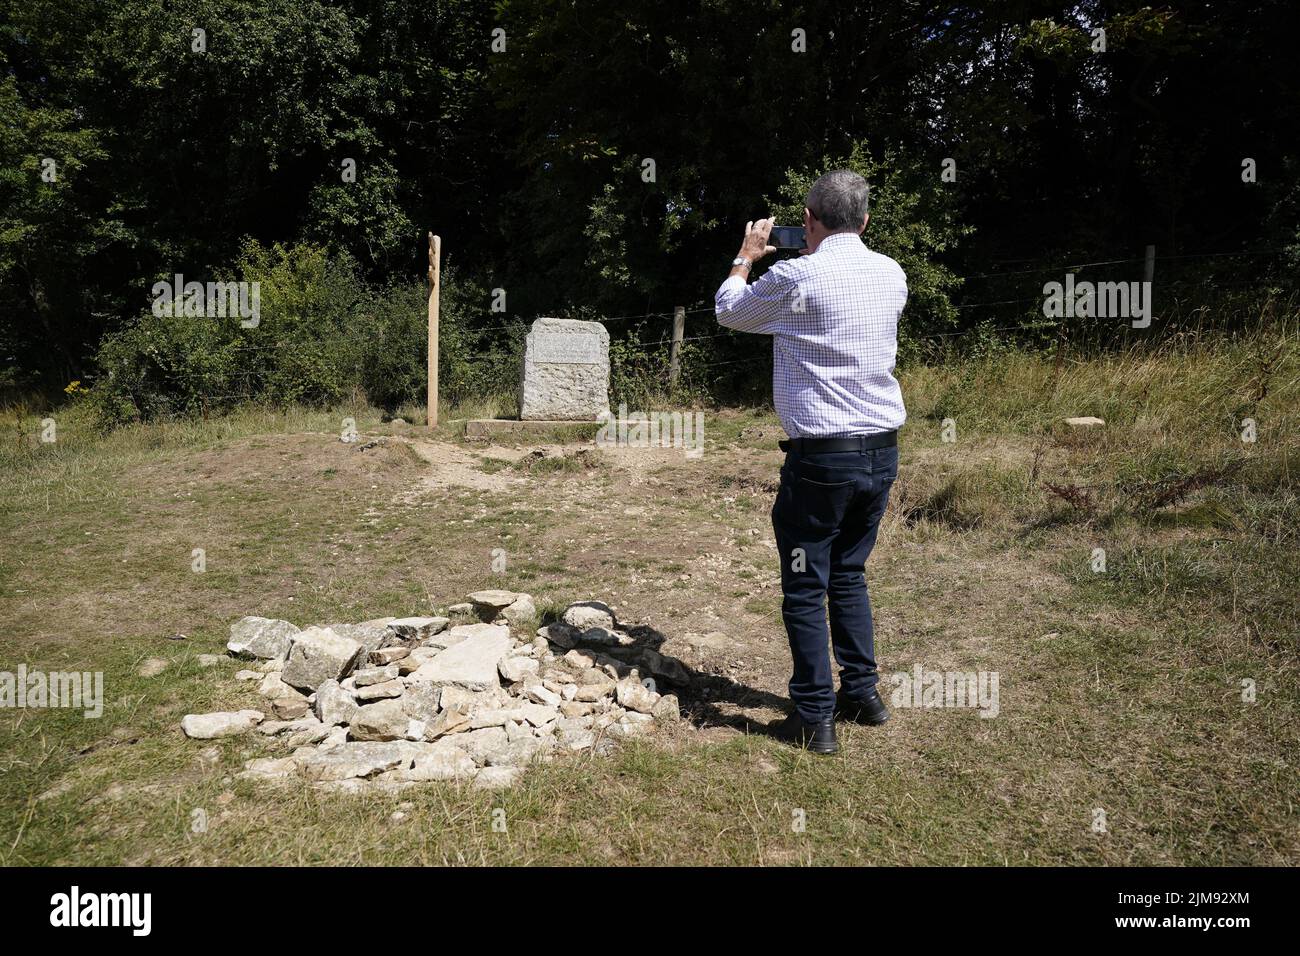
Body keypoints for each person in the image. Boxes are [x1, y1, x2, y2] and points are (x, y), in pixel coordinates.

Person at [714, 169, 907, 754]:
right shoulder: (892, 273)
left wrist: (747, 257)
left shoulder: (796, 274)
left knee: (804, 584)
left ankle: (814, 715)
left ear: (811, 220)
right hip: (881, 450)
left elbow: (730, 311)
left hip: (822, 457)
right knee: (849, 572)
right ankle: (864, 694)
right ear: (866, 220)